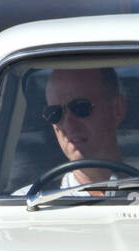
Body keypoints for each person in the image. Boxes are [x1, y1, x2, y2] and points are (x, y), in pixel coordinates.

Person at [20, 66, 127, 197]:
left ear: (117, 109)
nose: (68, 124)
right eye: (55, 113)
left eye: (80, 107)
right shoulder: (25, 204)